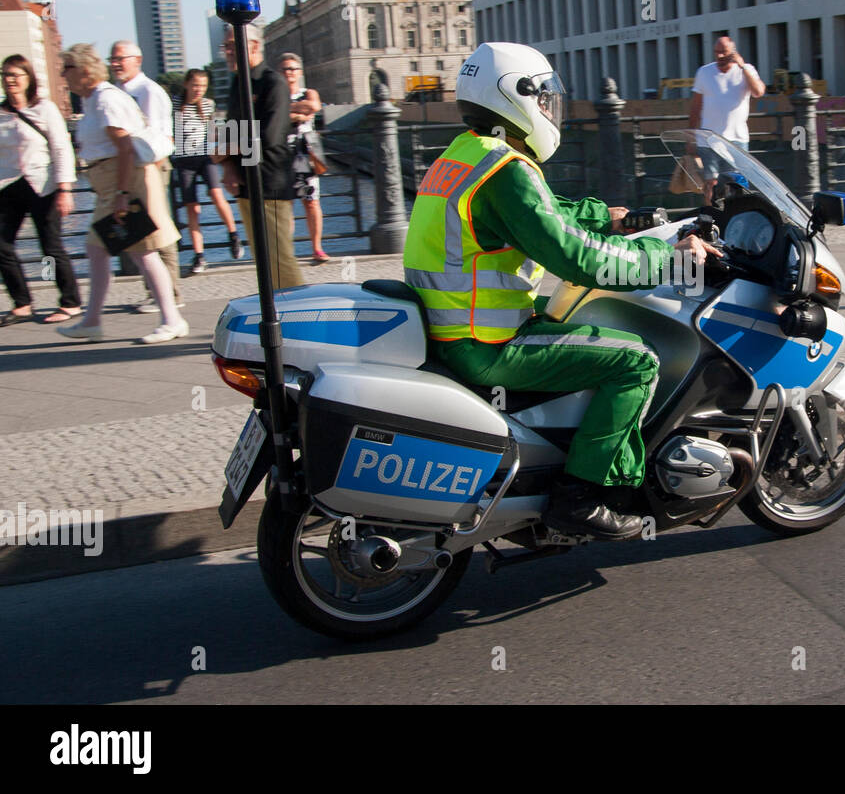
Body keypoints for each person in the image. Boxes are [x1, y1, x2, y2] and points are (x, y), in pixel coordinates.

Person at [403, 42, 720, 540]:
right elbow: (579, 259)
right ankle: (580, 496)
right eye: (544, 96)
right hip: (488, 345)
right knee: (637, 360)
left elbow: (545, 213)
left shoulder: (465, 155)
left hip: (453, 332)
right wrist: (669, 259)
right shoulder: (505, 170)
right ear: (517, 96)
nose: (551, 107)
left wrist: (612, 217)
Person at [56, 44, 186, 344]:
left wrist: (122, 193)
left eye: (67, 68)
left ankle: (172, 319)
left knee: (143, 252)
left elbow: (125, 148)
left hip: (124, 181)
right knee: (98, 249)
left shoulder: (105, 99)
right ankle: (92, 321)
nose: (64, 75)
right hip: (111, 182)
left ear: (83, 70)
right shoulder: (94, 99)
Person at [216, 23, 304, 290]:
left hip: (270, 181)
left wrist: (225, 150)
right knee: (262, 258)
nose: (228, 52)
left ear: (253, 46)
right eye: (226, 46)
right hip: (246, 182)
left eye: (233, 45)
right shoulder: (237, 83)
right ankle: (276, 311)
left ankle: (299, 312)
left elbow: (269, 137)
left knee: (279, 259)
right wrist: (229, 166)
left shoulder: (272, 82)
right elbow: (231, 127)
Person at [0, 54, 82, 324]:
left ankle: (69, 302)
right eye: (5, 75)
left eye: (16, 75)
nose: (10, 80)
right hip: (9, 185)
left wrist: (65, 188)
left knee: (50, 245)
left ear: (28, 79)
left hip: (42, 184)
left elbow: (61, 148)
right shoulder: (1, 112)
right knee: (2, 244)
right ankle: (22, 303)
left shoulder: (44, 109)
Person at [109, 40, 183, 313]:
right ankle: (155, 290)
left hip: (151, 165)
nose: (115, 63)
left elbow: (154, 134)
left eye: (121, 58)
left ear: (136, 60)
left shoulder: (148, 91)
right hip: (134, 165)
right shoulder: (119, 91)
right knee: (143, 230)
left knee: (157, 229)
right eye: (113, 58)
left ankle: (171, 293)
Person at [172, 68, 243, 274]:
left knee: (216, 194)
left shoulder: (208, 104)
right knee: (192, 209)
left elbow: (214, 131)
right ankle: (199, 255)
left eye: (202, 86)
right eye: (195, 85)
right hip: (184, 160)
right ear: (186, 84)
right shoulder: (175, 104)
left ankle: (233, 235)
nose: (198, 90)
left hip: (206, 158)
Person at [688, 35, 765, 203]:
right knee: (711, 183)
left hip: (736, 139)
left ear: (733, 52)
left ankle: (734, 218)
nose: (720, 56)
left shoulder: (746, 70)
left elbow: (759, 92)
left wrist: (742, 66)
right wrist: (691, 138)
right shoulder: (704, 72)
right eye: (717, 52)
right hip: (708, 139)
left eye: (724, 52)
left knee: (735, 183)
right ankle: (711, 219)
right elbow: (695, 107)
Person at [279, 52, 329, 263]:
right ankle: (287, 252)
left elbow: (314, 107)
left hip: (306, 154)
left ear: (299, 72)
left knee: (311, 202)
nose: (289, 73)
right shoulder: (276, 95)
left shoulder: (309, 92)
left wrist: (287, 111)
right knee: (286, 204)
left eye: (293, 69)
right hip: (283, 154)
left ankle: (317, 248)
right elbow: (274, 115)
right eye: (285, 69)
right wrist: (299, 113)